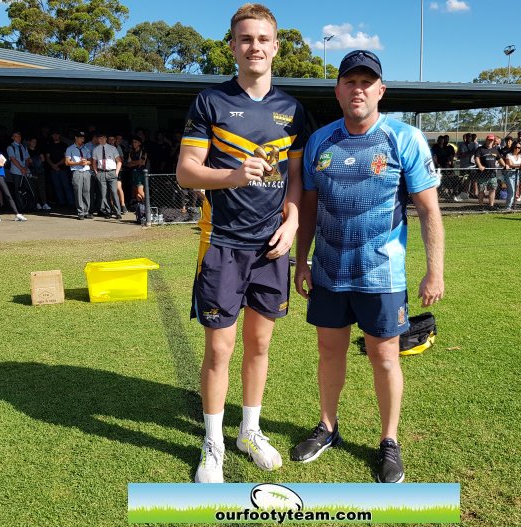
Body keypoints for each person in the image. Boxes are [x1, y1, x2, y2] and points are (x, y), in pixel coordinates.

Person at [292, 49, 444, 484]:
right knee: (329, 351)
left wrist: (434, 271)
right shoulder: (320, 141)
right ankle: (327, 427)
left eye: (366, 82)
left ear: (380, 90)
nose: (358, 90)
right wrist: (301, 261)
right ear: (338, 91)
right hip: (328, 271)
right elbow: (309, 206)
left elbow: (429, 210)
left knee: (384, 356)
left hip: (382, 274)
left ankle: (389, 441)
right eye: (350, 82)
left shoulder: (404, 138)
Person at [175, 3, 306, 483]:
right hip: (223, 243)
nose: (255, 47)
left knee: (260, 343)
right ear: (232, 46)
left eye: (263, 39)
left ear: (276, 47)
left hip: (272, 246)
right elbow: (186, 172)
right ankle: (212, 442)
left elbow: (296, 179)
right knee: (220, 348)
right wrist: (233, 175)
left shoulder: (294, 110)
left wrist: (293, 222)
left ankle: (249, 431)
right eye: (246, 39)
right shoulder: (210, 101)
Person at [91, 131, 123, 219]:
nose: (101, 140)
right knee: (104, 194)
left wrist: (116, 172)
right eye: (99, 138)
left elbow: (119, 161)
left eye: (103, 138)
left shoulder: (112, 148)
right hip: (101, 172)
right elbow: (94, 162)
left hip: (111, 172)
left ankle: (118, 212)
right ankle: (108, 212)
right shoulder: (96, 149)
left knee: (114, 192)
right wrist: (96, 172)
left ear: (106, 139)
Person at [65, 131, 93, 220]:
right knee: (78, 192)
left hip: (86, 171)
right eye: (80, 138)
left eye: (83, 138)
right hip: (76, 171)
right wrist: (78, 163)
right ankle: (80, 212)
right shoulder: (70, 149)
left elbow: (91, 161)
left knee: (87, 191)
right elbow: (67, 162)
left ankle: (86, 211)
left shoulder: (86, 148)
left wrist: (86, 162)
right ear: (76, 138)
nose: (82, 139)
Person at [474, 134, 506, 209]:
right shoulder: (480, 149)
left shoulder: (495, 150)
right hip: (482, 174)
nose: (490, 141)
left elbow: (500, 159)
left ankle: (491, 206)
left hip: (492, 174)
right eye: (489, 140)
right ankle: (481, 206)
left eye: (491, 140)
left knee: (492, 190)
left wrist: (505, 165)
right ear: (486, 140)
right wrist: (480, 166)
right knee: (481, 190)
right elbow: (477, 158)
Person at [126, 137, 148, 209]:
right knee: (136, 191)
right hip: (133, 173)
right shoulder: (131, 152)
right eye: (133, 142)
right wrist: (135, 163)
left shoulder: (143, 152)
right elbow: (128, 164)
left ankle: (147, 206)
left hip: (140, 172)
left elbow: (141, 162)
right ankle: (140, 208)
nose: (133, 144)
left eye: (135, 142)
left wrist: (132, 163)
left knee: (140, 190)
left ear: (139, 143)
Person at [503, 142, 521, 211]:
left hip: (517, 174)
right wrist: (520, 166)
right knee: (511, 191)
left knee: (514, 192)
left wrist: (518, 166)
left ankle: (511, 206)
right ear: (513, 147)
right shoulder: (509, 155)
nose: (517, 149)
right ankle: (508, 207)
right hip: (509, 175)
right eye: (516, 147)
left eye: (519, 148)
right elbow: (510, 164)